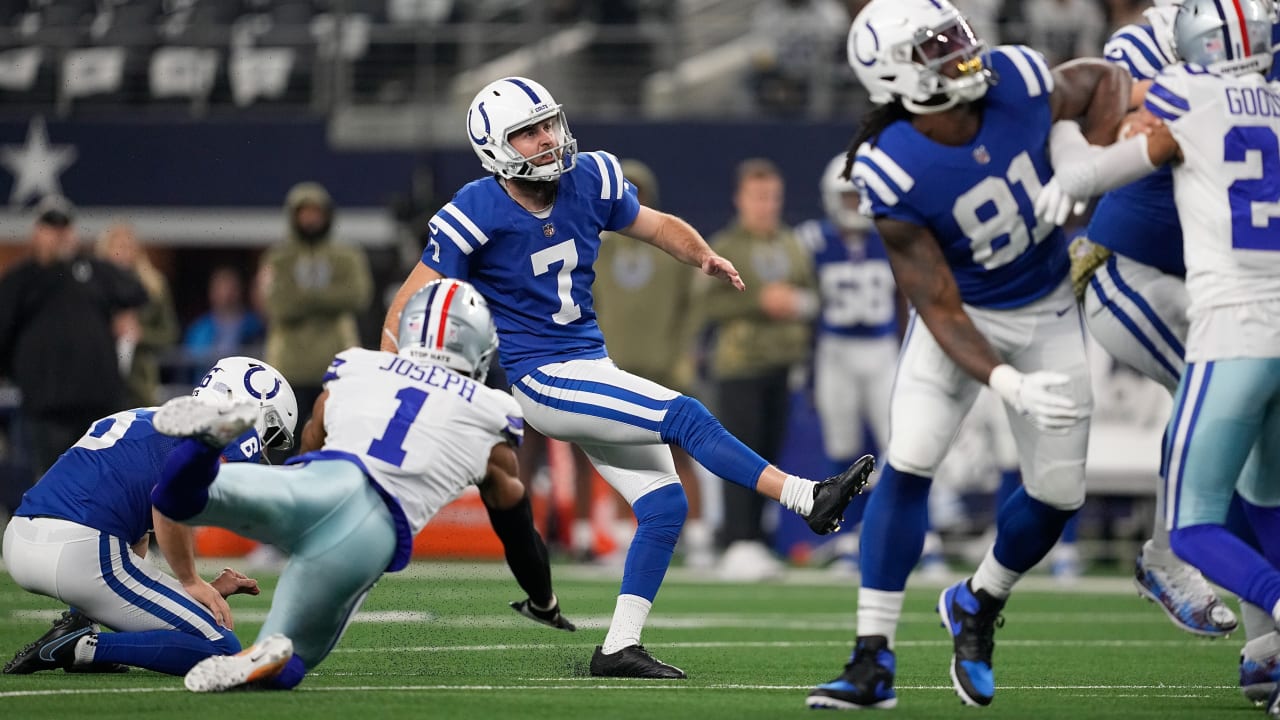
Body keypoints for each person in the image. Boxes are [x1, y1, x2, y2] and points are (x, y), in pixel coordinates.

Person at [381, 76, 874, 679]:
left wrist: (700, 255)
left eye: (548, 124)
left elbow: (657, 224)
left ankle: (618, 646)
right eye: (528, 132)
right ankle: (807, 497)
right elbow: (408, 305)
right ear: (495, 146)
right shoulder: (475, 210)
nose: (546, 140)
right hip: (543, 376)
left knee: (664, 505)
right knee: (686, 415)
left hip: (591, 361)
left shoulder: (589, 177)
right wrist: (398, 377)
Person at [805, 0, 1129, 709]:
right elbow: (939, 305)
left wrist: (1081, 167)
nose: (961, 50)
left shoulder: (1015, 77)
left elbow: (1107, 82)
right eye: (936, 46)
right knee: (911, 459)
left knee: (1057, 497)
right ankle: (871, 659)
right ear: (899, 75)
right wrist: (1006, 381)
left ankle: (978, 602)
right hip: (966, 319)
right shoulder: (889, 171)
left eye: (954, 34)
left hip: (1047, 306)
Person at [150, 279, 576, 692]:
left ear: (408, 328)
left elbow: (312, 442)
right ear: (477, 346)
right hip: (371, 534)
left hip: (315, 482)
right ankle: (268, 648)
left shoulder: (359, 367)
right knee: (293, 659)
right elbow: (517, 529)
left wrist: (290, 520)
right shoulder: (489, 411)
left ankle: (206, 441)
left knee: (177, 497)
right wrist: (543, 600)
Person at [1033, 1, 1280, 713]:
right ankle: (1249, 634)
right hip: (1148, 275)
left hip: (1229, 315)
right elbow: (1111, 93)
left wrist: (1065, 146)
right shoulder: (1175, 46)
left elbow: (1095, 158)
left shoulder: (1192, 86)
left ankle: (1232, 603)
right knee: (1251, 468)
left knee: (1219, 482)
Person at [1, 355, 294, 676]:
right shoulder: (227, 429)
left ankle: (79, 623)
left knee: (148, 581)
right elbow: (167, 502)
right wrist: (190, 582)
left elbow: (135, 531)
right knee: (222, 646)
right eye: (273, 433)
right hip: (80, 548)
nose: (266, 447)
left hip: (20, 538)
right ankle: (81, 647)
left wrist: (181, 596)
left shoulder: (148, 416)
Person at [698, 158, 818, 581]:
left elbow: (813, 295)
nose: (767, 205)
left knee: (771, 453)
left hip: (782, 363)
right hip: (739, 365)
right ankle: (735, 540)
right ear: (741, 199)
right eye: (759, 196)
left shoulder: (791, 243)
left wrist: (797, 304)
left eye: (772, 197)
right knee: (740, 454)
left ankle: (757, 540)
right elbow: (708, 303)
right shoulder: (726, 243)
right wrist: (761, 301)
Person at [589, 158, 712, 569]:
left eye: (640, 190)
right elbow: (588, 304)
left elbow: (692, 307)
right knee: (624, 454)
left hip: (665, 365)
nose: (633, 197)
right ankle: (626, 535)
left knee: (682, 451)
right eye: (627, 189)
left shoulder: (667, 245)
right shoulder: (597, 248)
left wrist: (684, 353)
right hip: (618, 366)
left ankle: (696, 537)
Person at [0, 196, 147, 490]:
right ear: (37, 231)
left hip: (99, 405)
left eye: (64, 226)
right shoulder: (21, 279)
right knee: (54, 485)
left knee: (105, 483)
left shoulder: (90, 269)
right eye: (51, 227)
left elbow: (136, 291)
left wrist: (123, 315)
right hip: (47, 408)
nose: (58, 234)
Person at [259, 181, 374, 442]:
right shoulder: (278, 257)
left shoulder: (347, 255)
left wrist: (302, 297)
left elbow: (358, 296)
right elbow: (277, 305)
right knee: (286, 441)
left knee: (336, 437)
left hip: (335, 363)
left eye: (316, 212)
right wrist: (328, 299)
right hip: (289, 367)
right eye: (304, 212)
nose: (310, 219)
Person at [95, 221, 180, 409]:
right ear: (105, 250)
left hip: (140, 384)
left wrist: (141, 334)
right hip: (99, 382)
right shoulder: (91, 286)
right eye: (117, 247)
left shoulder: (154, 285)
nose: (123, 253)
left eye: (128, 247)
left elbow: (170, 333)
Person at [183, 266, 266, 380]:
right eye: (220, 287)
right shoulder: (199, 328)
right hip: (206, 388)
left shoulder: (256, 326)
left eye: (231, 287)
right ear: (211, 291)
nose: (226, 294)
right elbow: (190, 363)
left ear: (240, 290)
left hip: (243, 386)